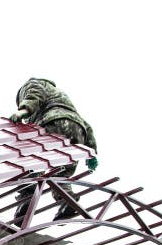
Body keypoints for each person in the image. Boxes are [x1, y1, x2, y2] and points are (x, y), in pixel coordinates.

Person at [8, 78, 98, 221]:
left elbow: (34, 94)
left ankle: (25, 201)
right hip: (78, 131)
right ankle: (66, 202)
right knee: (62, 174)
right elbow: (86, 125)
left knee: (32, 164)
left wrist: (23, 111)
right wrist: (92, 152)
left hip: (52, 123)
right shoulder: (61, 97)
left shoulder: (34, 83)